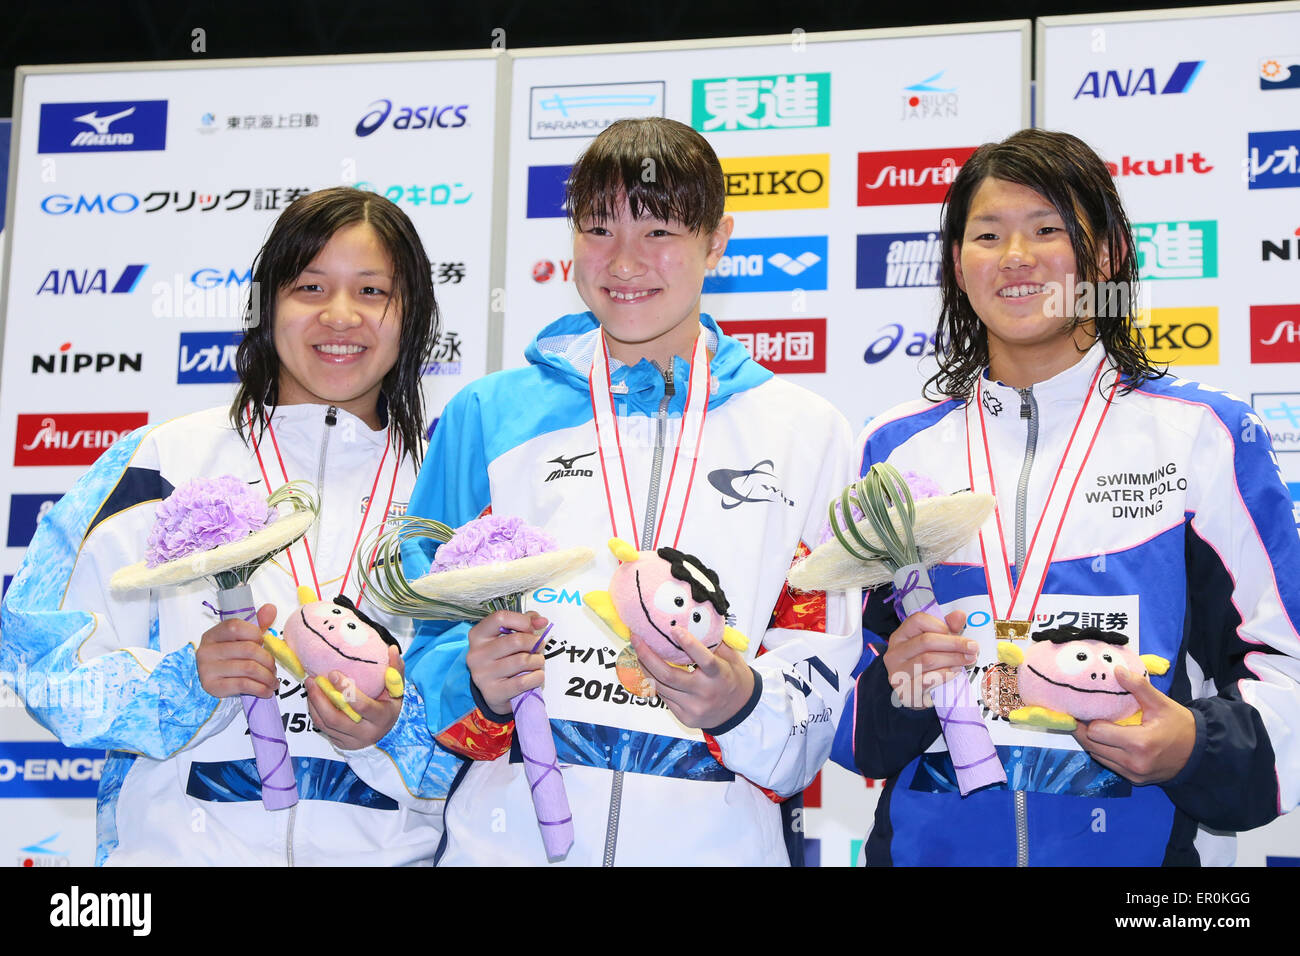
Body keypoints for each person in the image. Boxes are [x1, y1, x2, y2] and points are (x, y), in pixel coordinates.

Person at [389, 117, 860, 865]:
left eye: (660, 231)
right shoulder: (487, 417)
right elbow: (421, 640)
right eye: (599, 228)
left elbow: (821, 668)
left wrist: (741, 703)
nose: (625, 261)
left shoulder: (808, 435)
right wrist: (472, 682)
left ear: (717, 241)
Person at [832, 128, 1300, 866]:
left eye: (1047, 229)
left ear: (1106, 252)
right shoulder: (893, 451)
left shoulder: (1204, 436)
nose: (1015, 257)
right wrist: (897, 680)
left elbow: (1285, 663)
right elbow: (841, 693)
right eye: (987, 234)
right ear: (958, 265)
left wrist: (1194, 745)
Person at [0, 187, 461, 865]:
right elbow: (39, 661)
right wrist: (187, 680)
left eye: (371, 291)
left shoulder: (448, 484)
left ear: (411, 312)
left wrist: (398, 725)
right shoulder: (162, 463)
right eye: (309, 287)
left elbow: (495, 711)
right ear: (265, 306)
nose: (341, 315)